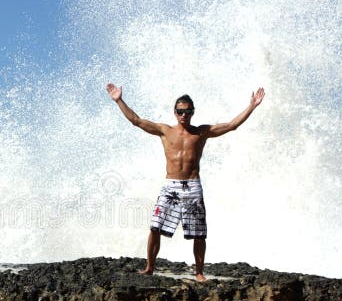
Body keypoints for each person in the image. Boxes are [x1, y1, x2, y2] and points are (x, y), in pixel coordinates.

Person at [106, 83, 265, 281]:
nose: (184, 115)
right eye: (180, 111)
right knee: (155, 227)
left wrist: (252, 106)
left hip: (192, 187)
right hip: (170, 187)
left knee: (199, 234)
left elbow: (232, 125)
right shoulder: (164, 130)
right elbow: (136, 121)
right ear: (175, 112)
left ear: (192, 112)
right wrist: (119, 100)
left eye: (187, 111)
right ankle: (149, 267)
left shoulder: (201, 132)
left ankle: (199, 273)